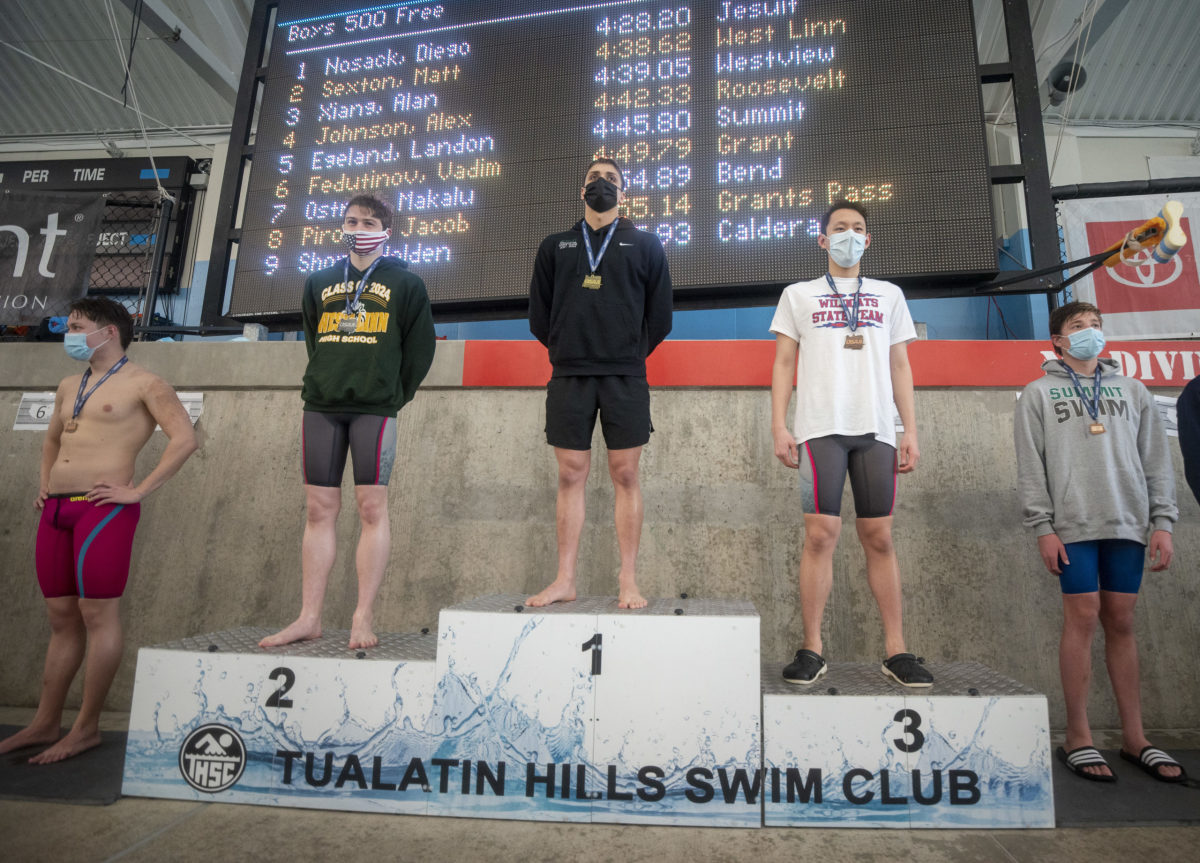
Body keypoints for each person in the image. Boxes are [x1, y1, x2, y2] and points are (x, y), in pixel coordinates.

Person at [0, 298, 197, 763]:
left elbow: (185, 438)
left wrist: (139, 490)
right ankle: (46, 722)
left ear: (108, 332)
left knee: (97, 616)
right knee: (61, 618)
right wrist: (46, 484)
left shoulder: (145, 383)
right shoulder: (70, 383)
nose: (68, 333)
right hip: (58, 511)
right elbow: (53, 439)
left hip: (102, 510)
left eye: (76, 326)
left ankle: (85, 727)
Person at [1015, 300, 1184, 783]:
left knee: (1122, 619)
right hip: (1073, 524)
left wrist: (1163, 521)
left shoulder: (1132, 390)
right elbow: (1031, 468)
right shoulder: (1038, 394)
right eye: (1077, 327)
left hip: (1128, 521)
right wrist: (1042, 527)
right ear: (1058, 340)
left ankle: (1136, 738)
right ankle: (1079, 735)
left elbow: (1156, 459)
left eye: (1094, 325)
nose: (1088, 332)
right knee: (1084, 614)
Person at [260, 194, 435, 650]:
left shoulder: (407, 283)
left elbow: (420, 351)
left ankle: (362, 617)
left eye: (369, 221)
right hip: (321, 404)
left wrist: (393, 394)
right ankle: (309, 616)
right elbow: (314, 336)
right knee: (319, 509)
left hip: (375, 408)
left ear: (386, 230)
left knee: (371, 508)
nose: (359, 227)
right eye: (351, 220)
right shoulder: (318, 280)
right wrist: (329, 377)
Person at [769, 200, 931, 687]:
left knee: (879, 537)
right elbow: (782, 365)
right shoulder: (797, 295)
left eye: (858, 228)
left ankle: (896, 650)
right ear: (822, 240)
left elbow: (900, 366)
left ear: (868, 239)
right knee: (820, 535)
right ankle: (812, 648)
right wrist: (780, 425)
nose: (849, 235)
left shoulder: (889, 295)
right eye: (839, 228)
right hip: (820, 429)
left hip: (877, 429)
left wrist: (910, 431)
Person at [526, 158, 673, 609]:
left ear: (622, 194)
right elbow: (539, 316)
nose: (601, 184)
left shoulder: (646, 245)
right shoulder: (556, 247)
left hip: (625, 376)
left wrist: (626, 353)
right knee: (571, 474)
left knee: (625, 473)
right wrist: (567, 350)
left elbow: (661, 318)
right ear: (581, 190)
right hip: (569, 374)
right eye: (594, 178)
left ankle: (628, 580)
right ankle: (564, 579)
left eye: (611, 179)